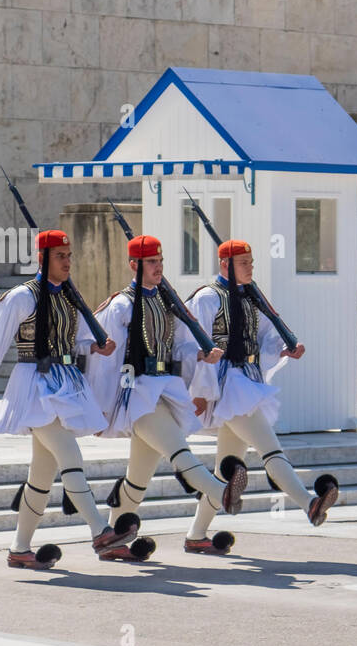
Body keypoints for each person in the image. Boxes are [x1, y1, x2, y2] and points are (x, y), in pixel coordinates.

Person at [0, 229, 141, 569]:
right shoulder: (22, 297)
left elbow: (76, 339)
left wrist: (96, 346)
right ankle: (101, 531)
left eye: (69, 256)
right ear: (42, 259)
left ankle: (19, 549)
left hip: (65, 384)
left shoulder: (69, 296)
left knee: (41, 475)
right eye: (61, 256)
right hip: (34, 388)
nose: (68, 262)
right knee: (70, 455)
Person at [85, 235, 246, 559]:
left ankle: (111, 540)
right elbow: (107, 363)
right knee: (179, 451)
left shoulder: (166, 303)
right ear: (134, 265)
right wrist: (108, 406)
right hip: (139, 396)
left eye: (160, 262)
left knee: (137, 480)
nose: (159, 268)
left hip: (166, 390)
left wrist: (200, 356)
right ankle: (220, 492)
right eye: (152, 262)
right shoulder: (122, 306)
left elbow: (180, 348)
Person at [176, 239, 338, 549]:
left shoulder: (251, 297)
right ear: (225, 265)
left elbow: (265, 336)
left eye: (251, 263)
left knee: (224, 468)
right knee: (270, 449)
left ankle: (196, 536)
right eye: (244, 263)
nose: (251, 268)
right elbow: (193, 346)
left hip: (246, 382)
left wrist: (286, 348)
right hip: (226, 388)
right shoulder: (207, 299)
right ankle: (309, 504)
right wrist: (199, 392)